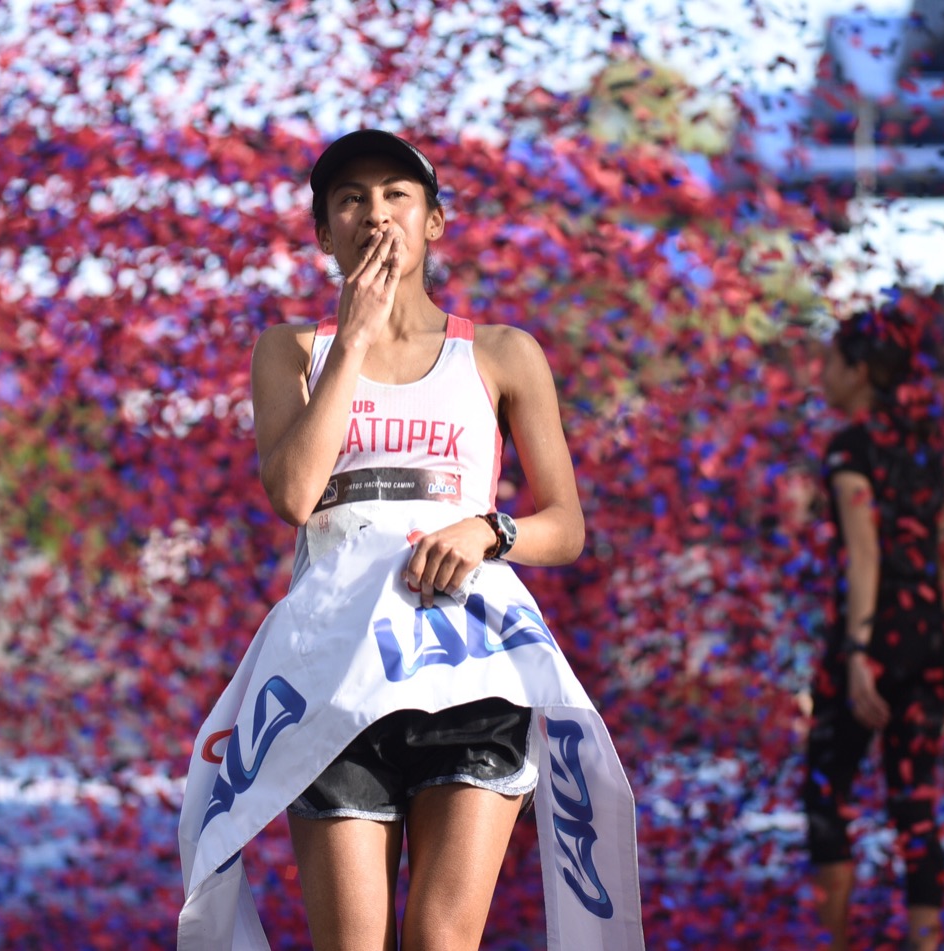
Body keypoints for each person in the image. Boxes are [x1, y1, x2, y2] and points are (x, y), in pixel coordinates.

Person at [177, 130, 643, 950]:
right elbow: (293, 495)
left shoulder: (502, 352)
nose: (375, 214)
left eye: (397, 195)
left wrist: (488, 529)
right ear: (325, 232)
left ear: (434, 220)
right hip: (332, 674)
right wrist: (354, 338)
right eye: (350, 199)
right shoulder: (292, 349)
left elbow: (564, 525)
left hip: (472, 670)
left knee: (438, 938)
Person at [802, 306, 944, 951]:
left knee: (827, 794)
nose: (823, 373)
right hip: (929, 638)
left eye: (832, 360)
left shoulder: (852, 445)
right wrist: (943, 653)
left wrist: (860, 650)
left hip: (872, 639)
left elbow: (864, 553)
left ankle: (837, 943)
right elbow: (937, 553)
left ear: (860, 370)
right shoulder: (928, 444)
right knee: (914, 805)